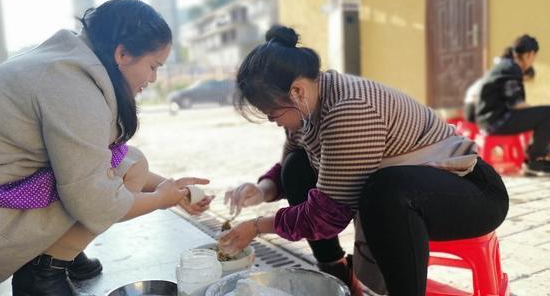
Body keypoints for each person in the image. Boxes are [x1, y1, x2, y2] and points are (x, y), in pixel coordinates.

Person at [0, 0, 212, 295]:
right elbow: (97, 202)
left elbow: (104, 158)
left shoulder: (69, 63)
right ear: (122, 54)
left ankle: (58, 251)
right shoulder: (73, 89)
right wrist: (160, 199)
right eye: (153, 66)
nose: (153, 78)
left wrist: (169, 188)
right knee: (121, 175)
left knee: (129, 161)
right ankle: (43, 274)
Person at [218, 25, 509, 296]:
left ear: (296, 91)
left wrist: (256, 227)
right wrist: (263, 189)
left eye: (273, 114)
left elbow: (325, 217)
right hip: (413, 188)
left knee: (384, 192)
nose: (274, 122)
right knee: (297, 166)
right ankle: (337, 270)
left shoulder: (350, 109)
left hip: (473, 194)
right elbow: (291, 162)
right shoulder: (312, 104)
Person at [475, 34, 550, 176]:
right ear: (529, 54)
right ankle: (534, 161)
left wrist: (535, 112)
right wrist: (538, 113)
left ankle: (533, 158)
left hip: (491, 120)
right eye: (534, 57)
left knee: (546, 113)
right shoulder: (510, 68)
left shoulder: (505, 65)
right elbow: (515, 103)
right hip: (497, 121)